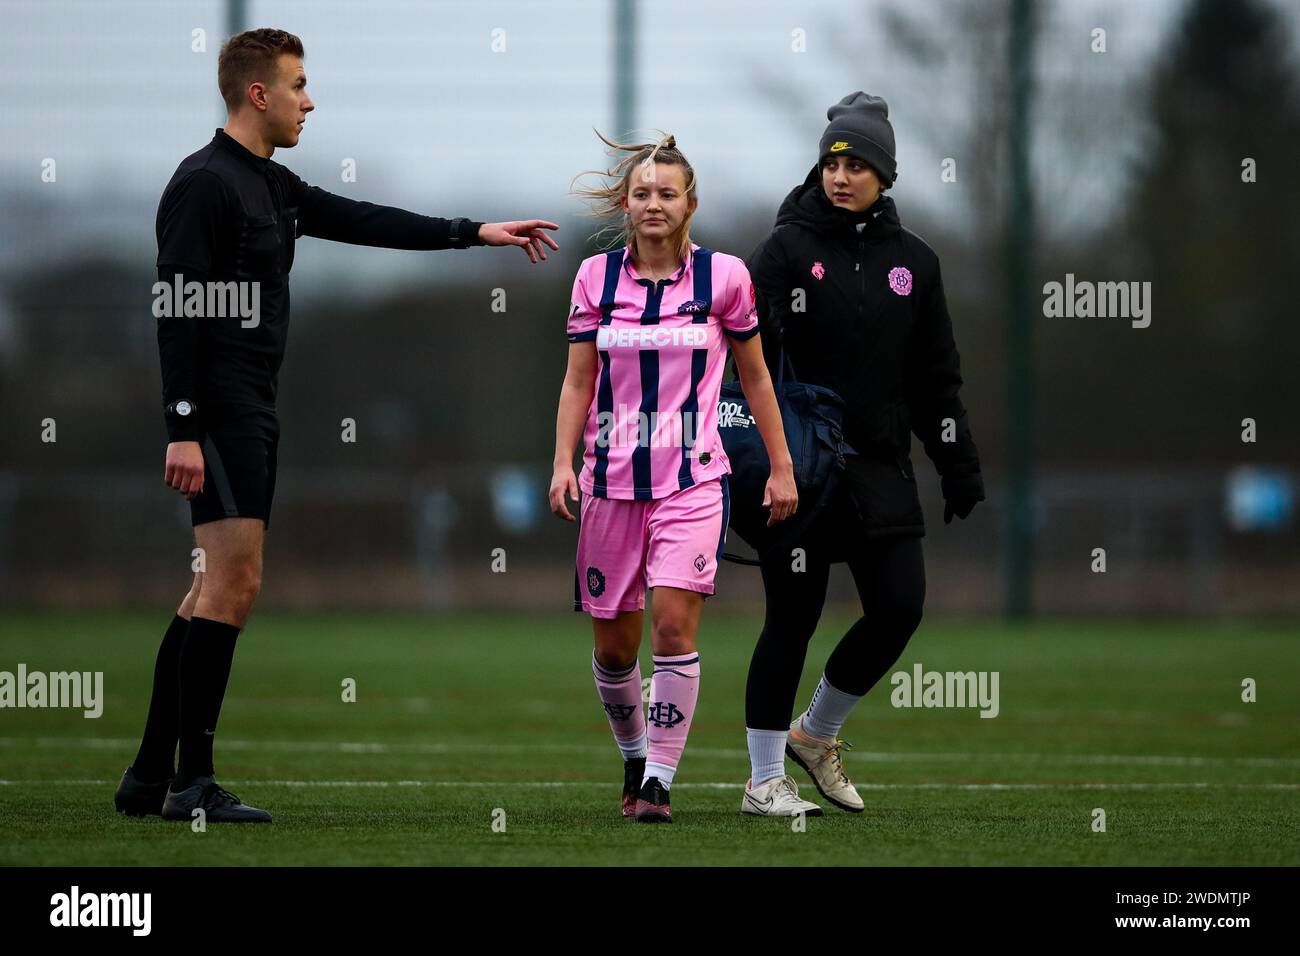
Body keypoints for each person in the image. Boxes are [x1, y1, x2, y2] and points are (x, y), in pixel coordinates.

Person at [115, 27, 560, 824]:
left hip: (252, 407)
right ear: (259, 93)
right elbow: (176, 304)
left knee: (205, 590)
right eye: (298, 85)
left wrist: (475, 231)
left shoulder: (273, 186)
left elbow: (363, 218)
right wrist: (181, 423)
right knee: (233, 584)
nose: (308, 100)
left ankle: (151, 778)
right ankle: (193, 784)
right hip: (217, 412)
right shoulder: (204, 184)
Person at [550, 131, 813, 823]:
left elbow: (755, 378)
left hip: (694, 482)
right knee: (615, 644)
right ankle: (635, 754)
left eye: (667, 193)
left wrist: (781, 467)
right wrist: (561, 465)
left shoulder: (724, 277)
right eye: (642, 193)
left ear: (690, 203)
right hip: (609, 485)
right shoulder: (593, 279)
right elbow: (577, 382)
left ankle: (661, 779)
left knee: (673, 628)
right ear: (627, 203)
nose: (653, 203)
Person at [741, 92, 985, 815]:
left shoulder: (917, 262)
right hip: (801, 468)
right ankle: (762, 781)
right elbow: (741, 350)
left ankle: (815, 736)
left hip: (879, 464)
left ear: (886, 175)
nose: (841, 175)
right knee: (793, 616)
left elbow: (936, 376)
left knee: (900, 606)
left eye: (857, 164)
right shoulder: (786, 247)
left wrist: (958, 462)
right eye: (831, 162)